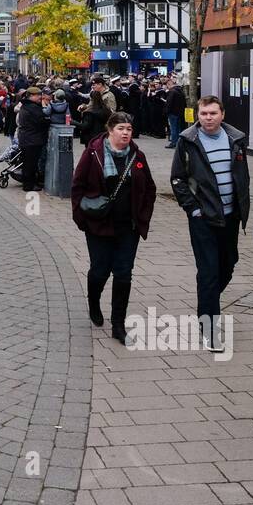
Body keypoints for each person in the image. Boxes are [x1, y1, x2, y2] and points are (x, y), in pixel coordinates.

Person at [170, 95, 251, 352]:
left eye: (213, 113)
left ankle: (207, 303)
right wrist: (193, 209)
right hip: (203, 218)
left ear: (222, 114)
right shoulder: (188, 141)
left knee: (228, 265)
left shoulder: (236, 139)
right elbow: (177, 179)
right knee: (208, 272)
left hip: (230, 216)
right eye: (204, 113)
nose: (208, 118)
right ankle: (210, 329)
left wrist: (241, 205)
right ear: (198, 115)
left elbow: (242, 174)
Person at [71, 111, 155, 342]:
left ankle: (118, 324)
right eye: (121, 129)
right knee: (100, 270)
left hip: (128, 227)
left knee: (124, 274)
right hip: (98, 225)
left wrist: (142, 217)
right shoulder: (93, 153)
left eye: (129, 129)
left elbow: (149, 188)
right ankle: (94, 302)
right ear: (110, 130)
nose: (126, 133)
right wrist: (81, 218)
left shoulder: (137, 156)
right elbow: (77, 185)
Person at [16, 87, 51, 192]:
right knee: (30, 163)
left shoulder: (26, 105)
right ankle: (29, 185)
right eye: (38, 95)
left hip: (27, 138)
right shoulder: (32, 107)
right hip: (32, 139)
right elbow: (41, 121)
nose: (40, 97)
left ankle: (29, 183)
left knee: (28, 162)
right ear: (31, 96)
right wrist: (48, 121)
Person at [165, 78, 187, 148]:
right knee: (179, 128)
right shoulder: (181, 92)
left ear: (169, 85)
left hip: (172, 113)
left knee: (173, 128)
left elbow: (169, 103)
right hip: (180, 113)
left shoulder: (172, 92)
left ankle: (173, 142)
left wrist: (166, 111)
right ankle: (179, 143)